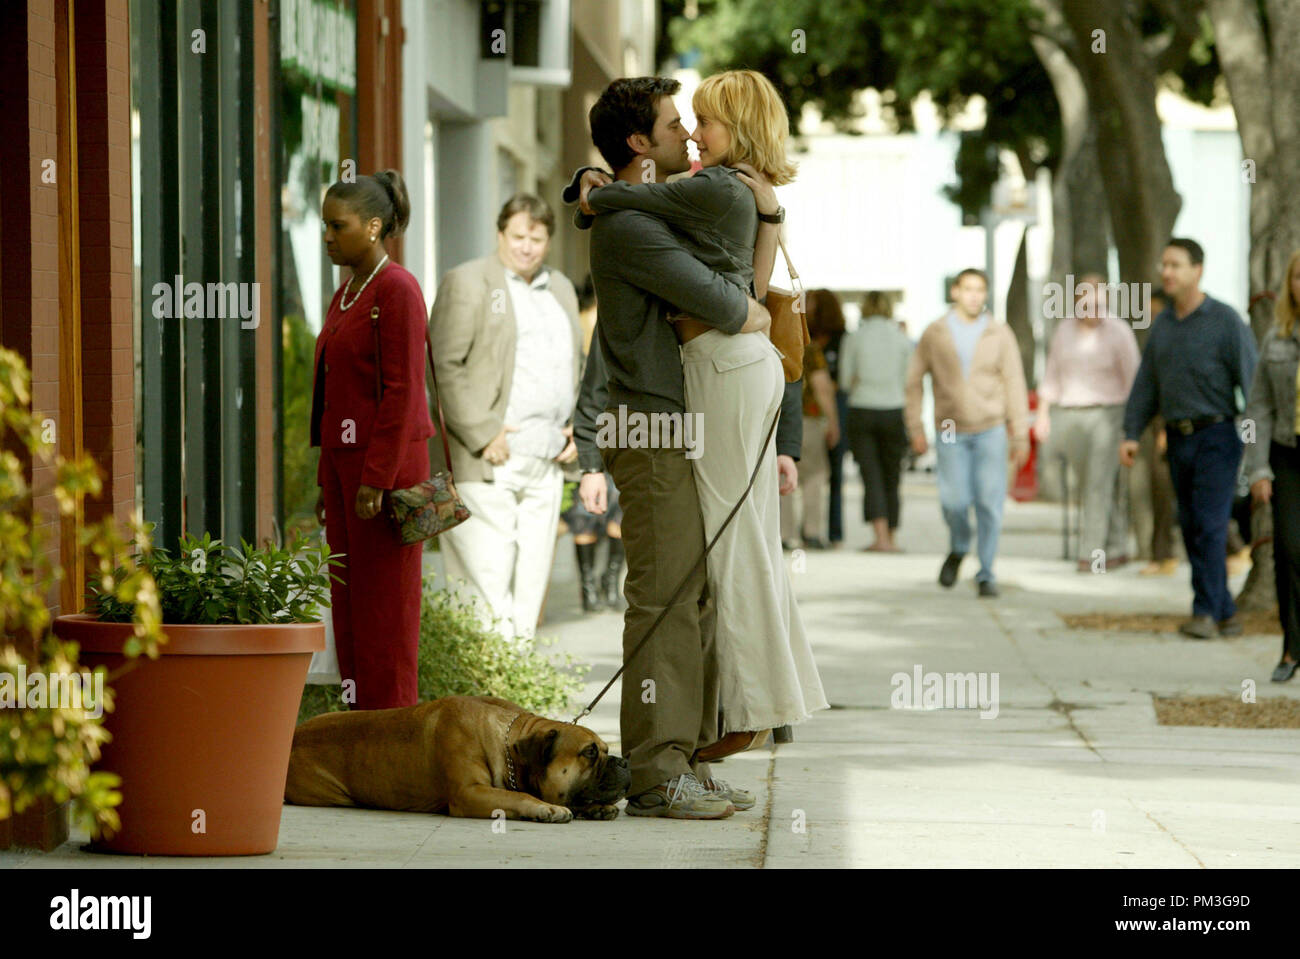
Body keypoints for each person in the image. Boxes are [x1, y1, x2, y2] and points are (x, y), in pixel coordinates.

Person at [567, 73, 827, 818]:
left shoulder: (658, 208)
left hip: (678, 423)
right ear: (638, 143)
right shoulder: (630, 225)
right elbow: (729, 303)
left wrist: (770, 211)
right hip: (650, 430)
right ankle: (655, 770)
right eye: (675, 123)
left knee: (699, 593)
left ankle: (685, 754)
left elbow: (740, 264)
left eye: (694, 121)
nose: (689, 134)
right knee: (667, 599)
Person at [427, 194, 583, 642]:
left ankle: (515, 694)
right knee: (487, 585)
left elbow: (574, 363)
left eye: (537, 238)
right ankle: (486, 694)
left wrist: (577, 425)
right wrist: (481, 432)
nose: (527, 247)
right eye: (518, 237)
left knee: (532, 585)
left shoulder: (561, 289)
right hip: (489, 457)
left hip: (547, 458)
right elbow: (442, 364)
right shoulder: (468, 281)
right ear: (500, 235)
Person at [311, 169, 432, 709]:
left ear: (375, 225)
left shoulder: (397, 287)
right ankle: (360, 730)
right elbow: (336, 393)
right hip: (345, 470)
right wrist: (327, 480)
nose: (328, 236)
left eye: (338, 225)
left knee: (386, 611)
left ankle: (393, 733)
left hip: (383, 475)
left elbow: (403, 390)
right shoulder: (348, 292)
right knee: (349, 604)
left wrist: (374, 479)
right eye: (325, 226)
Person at [1120, 238, 1258, 639]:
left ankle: (1204, 611)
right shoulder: (1163, 325)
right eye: (1164, 265)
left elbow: (1251, 384)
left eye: (1176, 265)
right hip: (1177, 440)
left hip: (1217, 435)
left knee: (1213, 526)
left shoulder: (1226, 321)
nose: (1167, 273)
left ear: (1198, 270)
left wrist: (1256, 443)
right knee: (1191, 523)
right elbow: (1146, 384)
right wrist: (1132, 432)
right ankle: (1226, 611)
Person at [905, 269, 1030, 597]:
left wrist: (1020, 434)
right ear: (956, 292)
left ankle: (986, 572)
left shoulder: (999, 333)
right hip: (949, 428)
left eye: (981, 290)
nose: (975, 295)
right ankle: (960, 545)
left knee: (990, 502)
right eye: (968, 289)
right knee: (954, 501)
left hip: (991, 428)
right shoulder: (935, 332)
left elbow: (1015, 381)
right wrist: (915, 427)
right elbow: (914, 380)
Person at [1034, 273, 1141, 571]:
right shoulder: (1064, 330)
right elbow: (1052, 375)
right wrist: (1043, 414)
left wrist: (1132, 427)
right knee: (1094, 485)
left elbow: (1134, 381)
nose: (1093, 305)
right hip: (1071, 414)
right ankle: (1117, 546)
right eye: (1087, 298)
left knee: (1097, 484)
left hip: (1108, 414)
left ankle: (1091, 554)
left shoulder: (1119, 331)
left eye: (1099, 298)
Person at [1243, 249, 1300, 681]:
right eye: (1297, 277)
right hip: (1286, 453)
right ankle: (1291, 647)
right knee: (1287, 550)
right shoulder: (1276, 338)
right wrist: (1258, 468)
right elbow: (1257, 409)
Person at [563, 277, 624, 611]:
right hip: (587, 422)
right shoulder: (584, 321)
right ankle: (590, 584)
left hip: (616, 426)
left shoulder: (622, 317)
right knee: (586, 511)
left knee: (619, 507)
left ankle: (609, 580)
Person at [839, 290, 912, 551]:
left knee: (871, 475)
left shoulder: (854, 338)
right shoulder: (902, 339)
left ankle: (879, 537)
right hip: (894, 410)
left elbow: (845, 380)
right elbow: (909, 381)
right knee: (892, 476)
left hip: (862, 410)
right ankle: (891, 538)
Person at [779, 290, 841, 550]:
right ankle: (812, 532)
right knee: (814, 476)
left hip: (779, 420)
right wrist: (834, 422)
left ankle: (784, 535)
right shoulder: (809, 348)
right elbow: (822, 387)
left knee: (783, 475)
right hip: (810, 419)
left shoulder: (776, 342)